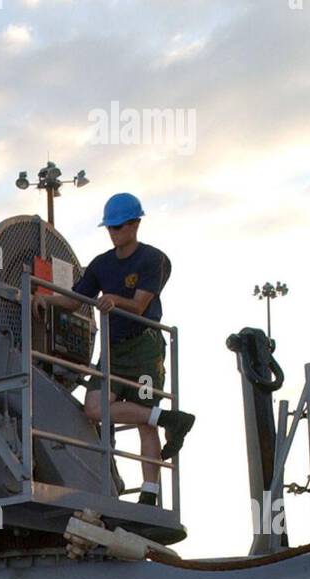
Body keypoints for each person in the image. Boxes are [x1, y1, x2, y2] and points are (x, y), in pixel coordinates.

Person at [32, 192, 195, 505]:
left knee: (142, 424)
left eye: (120, 227)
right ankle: (168, 418)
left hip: (144, 348)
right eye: (111, 228)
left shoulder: (153, 260)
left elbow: (139, 305)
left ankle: (150, 494)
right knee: (93, 408)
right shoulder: (101, 265)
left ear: (135, 224)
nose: (115, 233)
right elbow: (72, 300)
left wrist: (115, 300)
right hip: (113, 350)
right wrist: (43, 298)